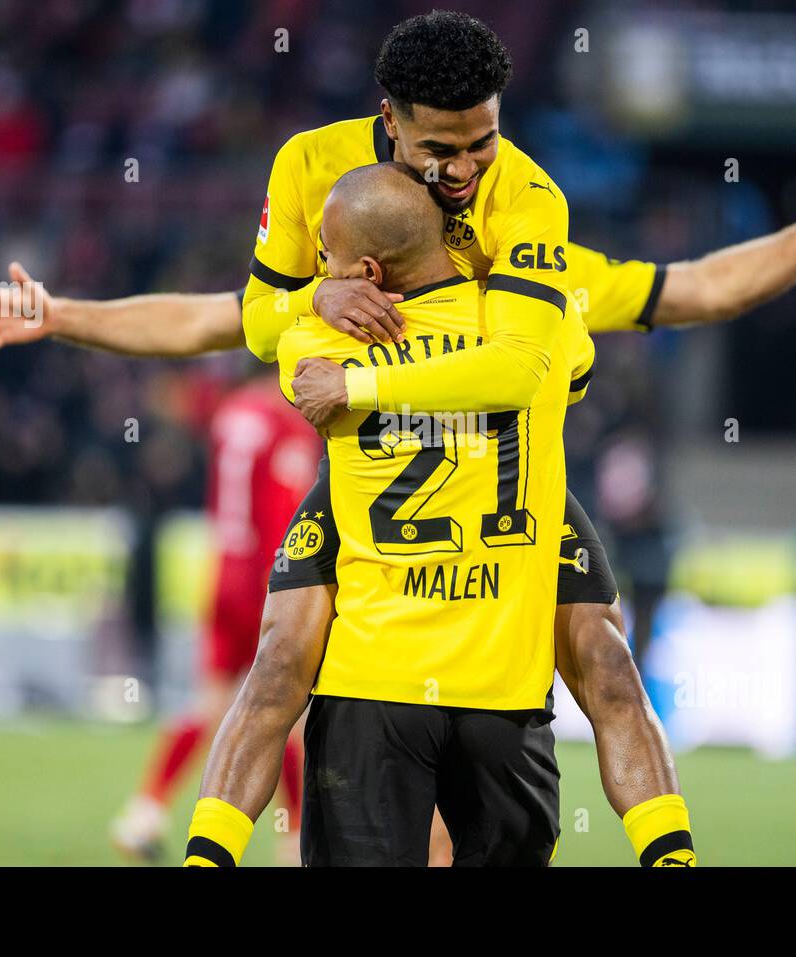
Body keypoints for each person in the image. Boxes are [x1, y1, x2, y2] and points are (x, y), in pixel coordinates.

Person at [0, 10, 796, 867]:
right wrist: (93, 312)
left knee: (604, 658)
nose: (466, 170)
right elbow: (234, 319)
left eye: (482, 144)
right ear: (389, 119)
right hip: (380, 480)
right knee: (280, 659)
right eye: (441, 151)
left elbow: (685, 291)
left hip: (501, 476)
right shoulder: (310, 170)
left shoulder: (527, 200)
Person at [189, 161, 580, 866]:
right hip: (506, 693)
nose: (323, 275)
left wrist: (317, 309)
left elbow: (264, 329)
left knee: (271, 671)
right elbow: (558, 364)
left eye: (329, 261)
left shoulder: (320, 351)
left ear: (366, 270)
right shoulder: (538, 335)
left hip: (372, 684)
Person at [111, 362, 319, 862]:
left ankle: (145, 811)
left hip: (224, 574)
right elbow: (286, 514)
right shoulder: (287, 423)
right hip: (268, 581)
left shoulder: (231, 412)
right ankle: (293, 840)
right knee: (291, 715)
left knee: (211, 708)